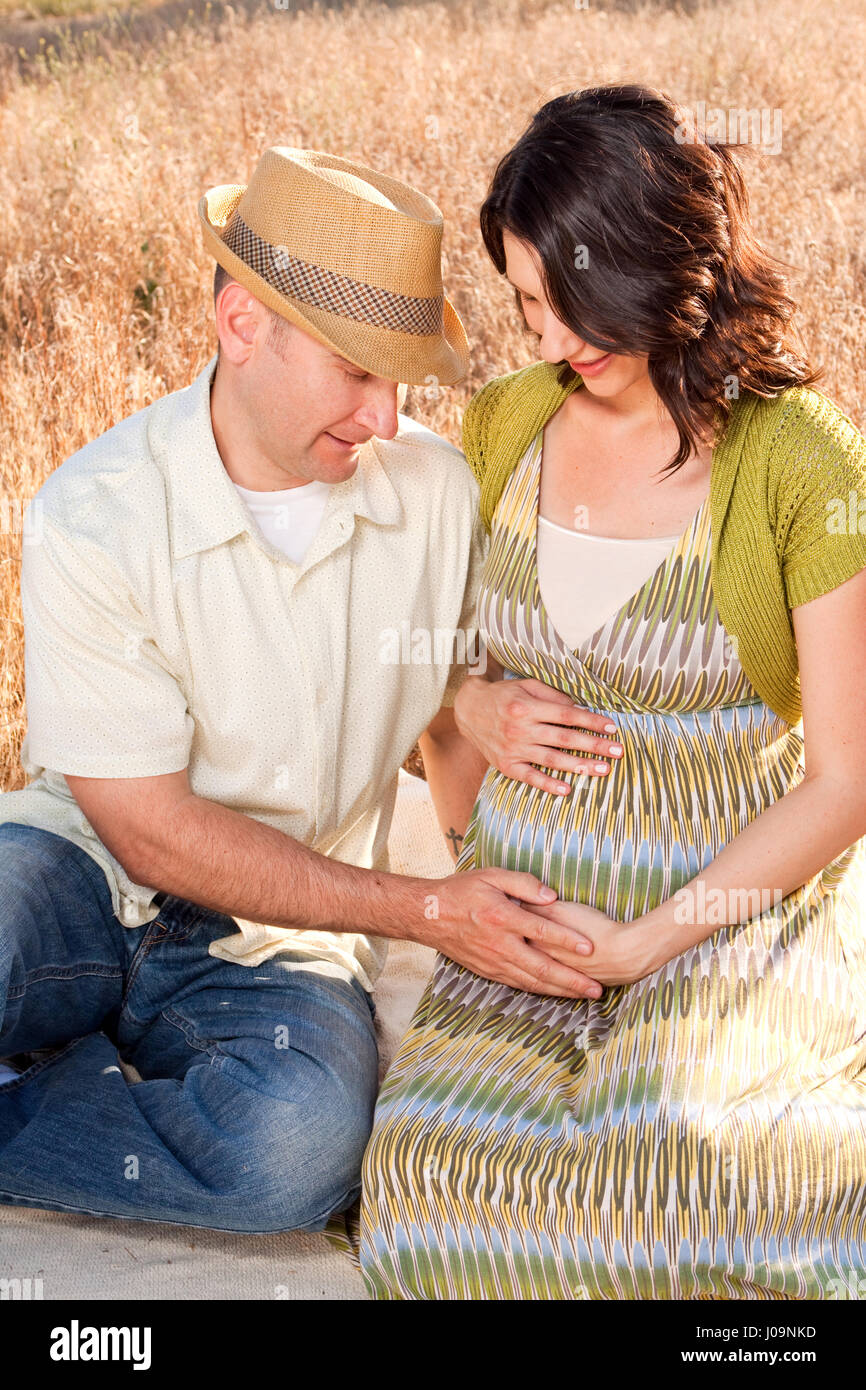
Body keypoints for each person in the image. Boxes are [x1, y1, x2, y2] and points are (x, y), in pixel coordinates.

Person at [0, 147, 600, 1234]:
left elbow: (449, 695)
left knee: (293, 1155)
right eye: (355, 371)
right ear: (242, 328)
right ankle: (59, 1037)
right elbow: (146, 833)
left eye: (399, 379)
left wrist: (482, 889)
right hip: (79, 874)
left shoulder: (434, 495)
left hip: (283, 939)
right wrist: (423, 911)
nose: (384, 418)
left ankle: (37, 1092)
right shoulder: (94, 511)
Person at [358, 86, 866, 1299]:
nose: (549, 341)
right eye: (525, 305)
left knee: (686, 1170)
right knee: (429, 1198)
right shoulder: (504, 424)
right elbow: (434, 664)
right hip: (526, 911)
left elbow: (848, 780)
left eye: (569, 303)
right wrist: (470, 775)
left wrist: (644, 940)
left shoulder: (802, 458)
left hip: (722, 903)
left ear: (654, 261)